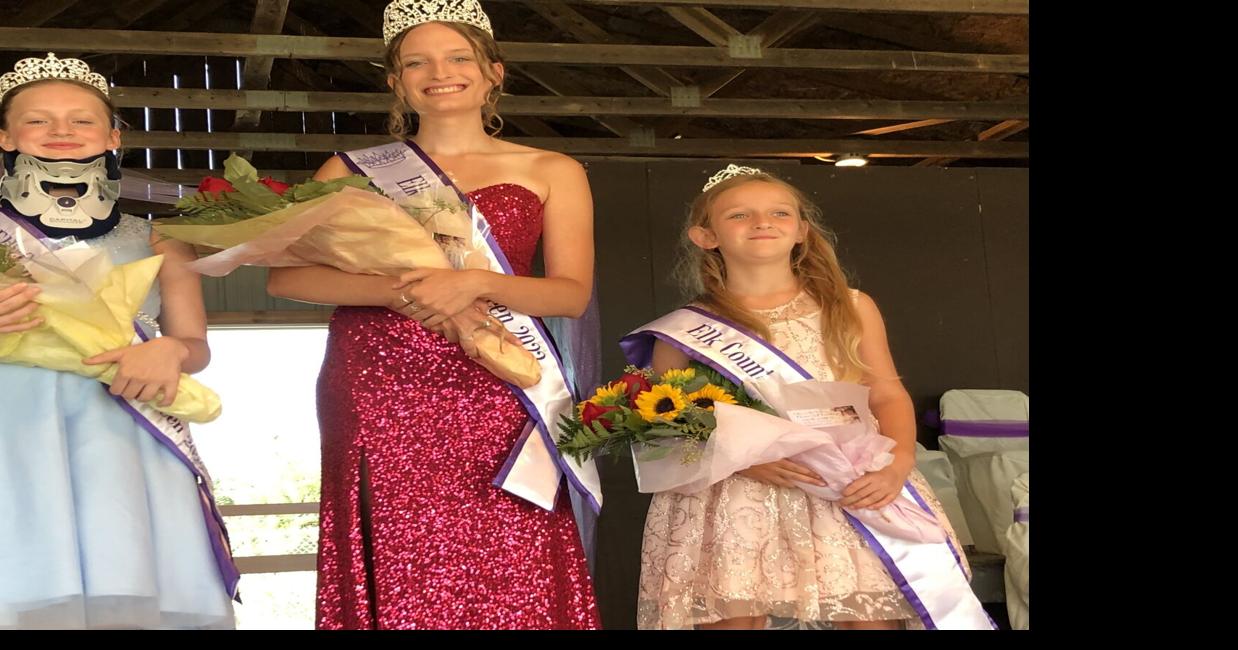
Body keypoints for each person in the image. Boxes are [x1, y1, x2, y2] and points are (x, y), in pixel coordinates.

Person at [266, 0, 601, 630]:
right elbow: (288, 276)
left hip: (496, 373)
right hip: (379, 383)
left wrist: (475, 281)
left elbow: (568, 295)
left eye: (457, 58)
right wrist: (398, 291)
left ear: (493, 71)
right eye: (416, 62)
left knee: (512, 546)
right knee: (396, 544)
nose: (438, 72)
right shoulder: (353, 169)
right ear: (396, 82)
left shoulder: (552, 169)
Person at [630, 165, 972, 630]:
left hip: (846, 481)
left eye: (778, 212)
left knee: (866, 617)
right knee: (733, 617)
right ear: (705, 235)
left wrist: (898, 464)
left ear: (801, 231)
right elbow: (667, 430)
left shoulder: (850, 306)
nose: (761, 222)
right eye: (739, 216)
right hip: (735, 495)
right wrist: (743, 461)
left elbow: (887, 392)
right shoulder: (683, 332)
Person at [0, 53, 236, 629]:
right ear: (5, 137)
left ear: (112, 136)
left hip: (124, 432)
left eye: (81, 120)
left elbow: (193, 345)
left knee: (127, 579)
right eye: (38, 120)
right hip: (13, 437)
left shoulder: (161, 238)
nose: (60, 132)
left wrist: (171, 350)